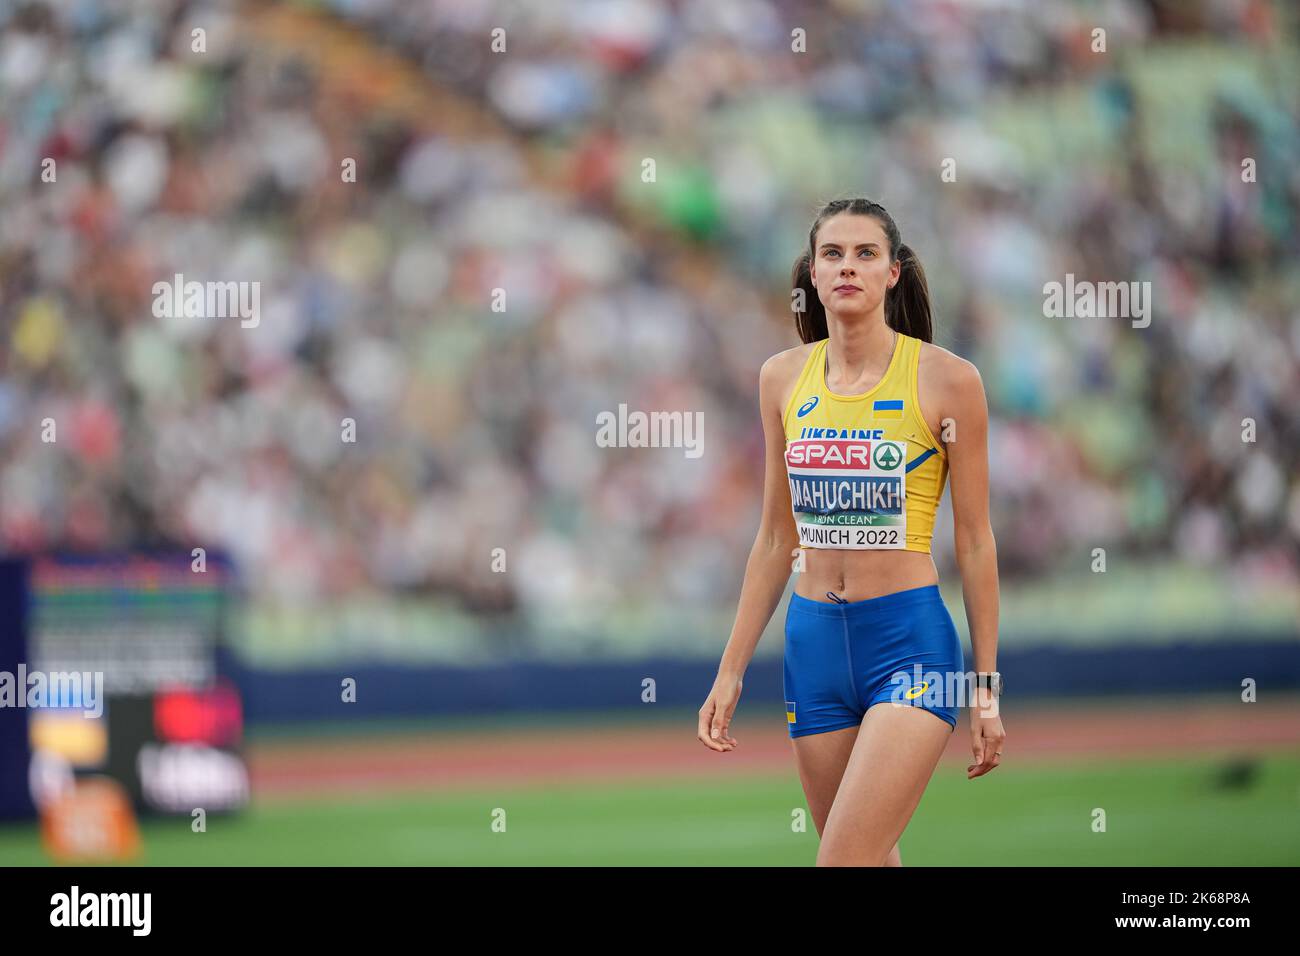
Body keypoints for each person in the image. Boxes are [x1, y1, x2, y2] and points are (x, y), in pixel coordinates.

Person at [697, 198, 1005, 866]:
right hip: (813, 648)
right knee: (870, 860)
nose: (847, 267)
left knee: (840, 862)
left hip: (910, 646)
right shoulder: (782, 378)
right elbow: (776, 540)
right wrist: (731, 671)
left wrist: (985, 687)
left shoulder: (949, 380)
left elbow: (977, 541)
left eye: (866, 254)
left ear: (893, 272)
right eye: (832, 254)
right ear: (811, 271)